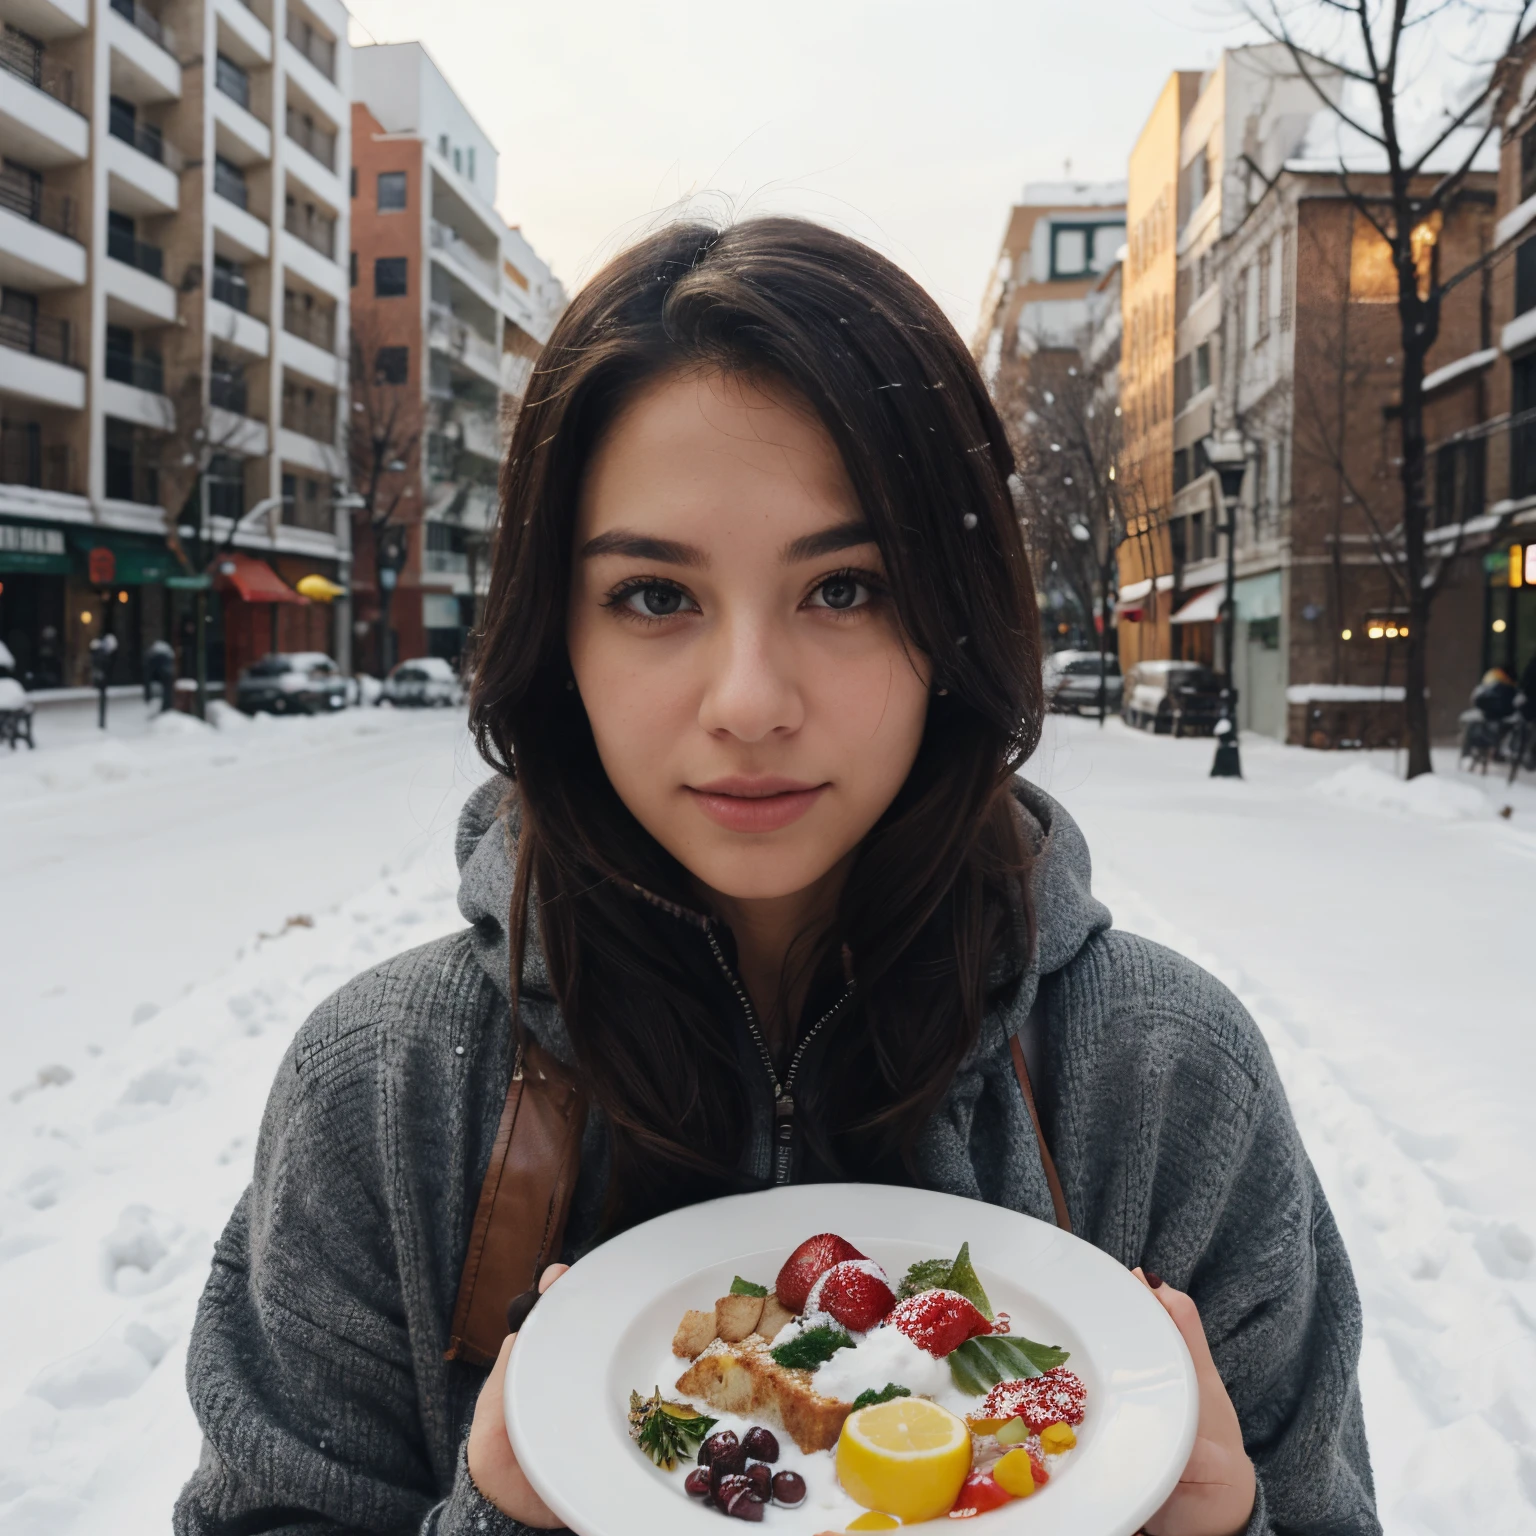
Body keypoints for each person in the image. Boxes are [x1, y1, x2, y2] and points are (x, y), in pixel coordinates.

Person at [176, 220, 1378, 1536]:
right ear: (553, 637)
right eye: (653, 596)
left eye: (846, 588)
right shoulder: (383, 1090)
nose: (749, 703)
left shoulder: (1164, 1076)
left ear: (953, 621)